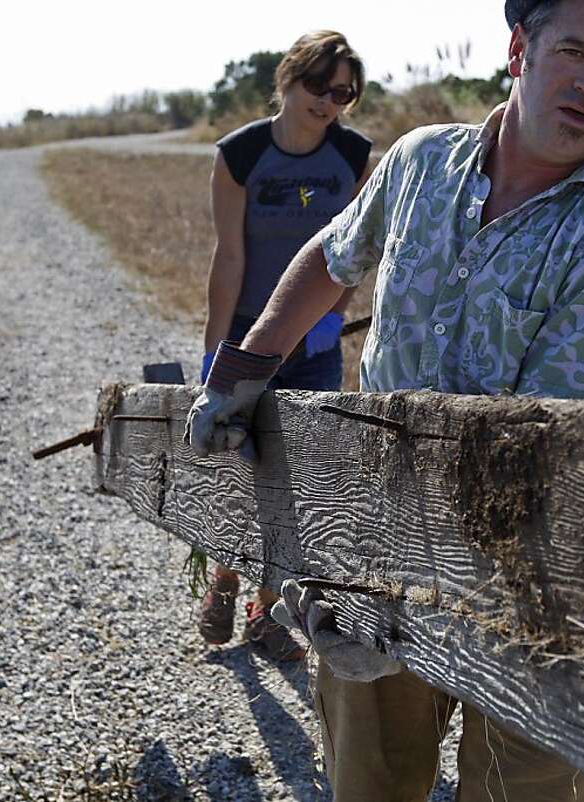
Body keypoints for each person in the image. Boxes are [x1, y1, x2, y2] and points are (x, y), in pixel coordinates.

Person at [187, 0, 584, 798]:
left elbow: (531, 462)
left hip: (534, 601)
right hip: (379, 554)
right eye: (574, 51)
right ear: (520, 49)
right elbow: (334, 254)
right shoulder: (418, 164)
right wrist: (248, 367)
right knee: (369, 784)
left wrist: (398, 597)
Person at [195, 30, 373, 662]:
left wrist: (333, 317)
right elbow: (230, 255)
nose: (329, 101)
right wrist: (219, 351)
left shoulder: (354, 155)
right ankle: (222, 576)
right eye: (318, 85)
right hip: (248, 336)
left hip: (317, 344)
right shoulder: (240, 155)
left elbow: (352, 252)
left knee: (298, 477)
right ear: (289, 79)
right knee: (234, 466)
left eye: (344, 92)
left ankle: (264, 612)